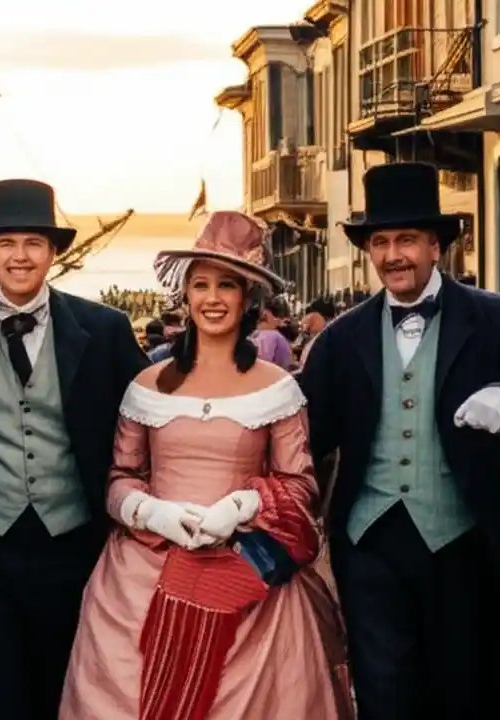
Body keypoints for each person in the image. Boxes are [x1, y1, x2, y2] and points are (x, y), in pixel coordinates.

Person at [300, 162, 500, 719]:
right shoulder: (341, 338)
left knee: (465, 691)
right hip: (369, 543)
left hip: (463, 540)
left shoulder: (499, 318)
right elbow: (303, 429)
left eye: (406, 239)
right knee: (384, 692)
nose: (392, 255)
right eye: (379, 242)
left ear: (436, 246)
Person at [61, 211, 353, 719]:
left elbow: (300, 484)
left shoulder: (276, 387)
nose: (212, 298)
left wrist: (241, 505)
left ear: (247, 299)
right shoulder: (147, 386)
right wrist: (152, 513)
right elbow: (119, 478)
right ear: (186, 296)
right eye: (200, 285)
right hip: (142, 571)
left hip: (245, 568)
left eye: (226, 286)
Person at [0, 179, 148, 719]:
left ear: (54, 253)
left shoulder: (104, 328)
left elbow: (148, 414)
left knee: (68, 683)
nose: (20, 257)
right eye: (6, 243)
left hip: (74, 537)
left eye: (33, 244)